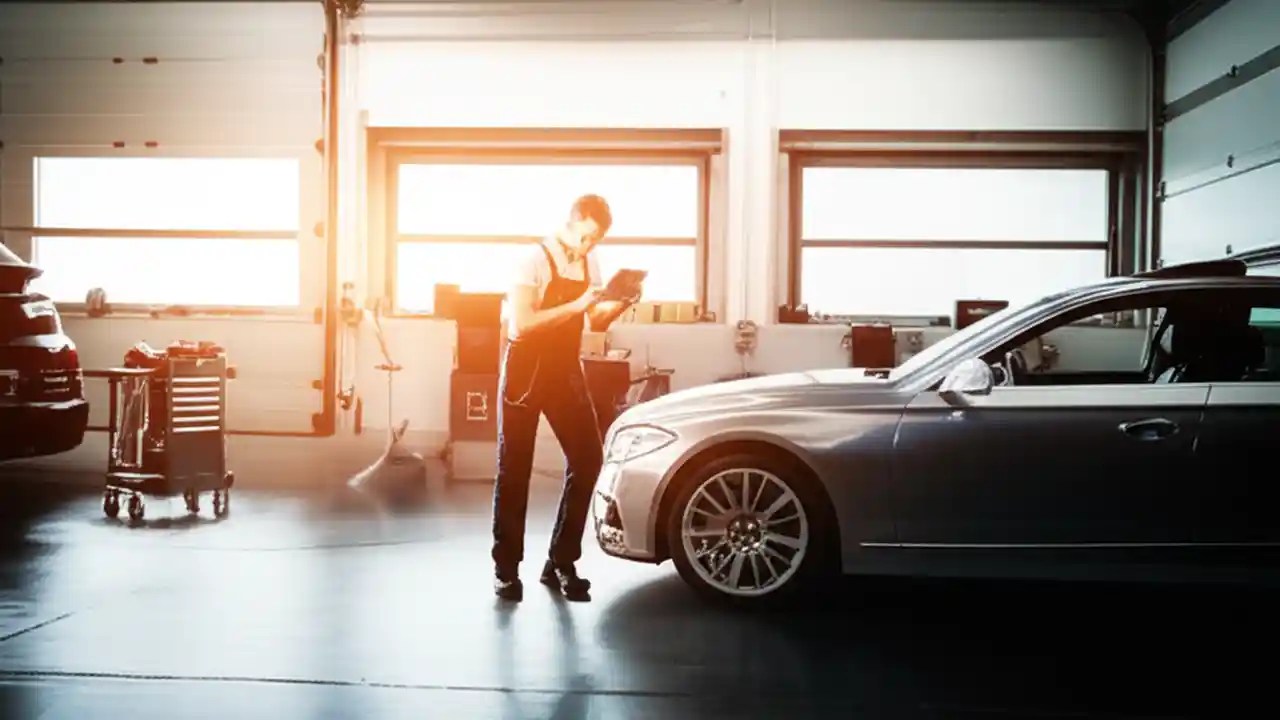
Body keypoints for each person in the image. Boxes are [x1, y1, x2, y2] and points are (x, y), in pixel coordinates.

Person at [491, 193, 637, 602]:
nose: (590, 247)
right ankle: (505, 568)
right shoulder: (531, 260)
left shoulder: (591, 264)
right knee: (514, 468)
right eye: (586, 237)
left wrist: (619, 303)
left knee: (589, 460)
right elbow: (523, 324)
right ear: (571, 223)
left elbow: (594, 321)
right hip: (525, 371)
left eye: (597, 240)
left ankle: (561, 560)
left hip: (565, 370)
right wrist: (578, 303)